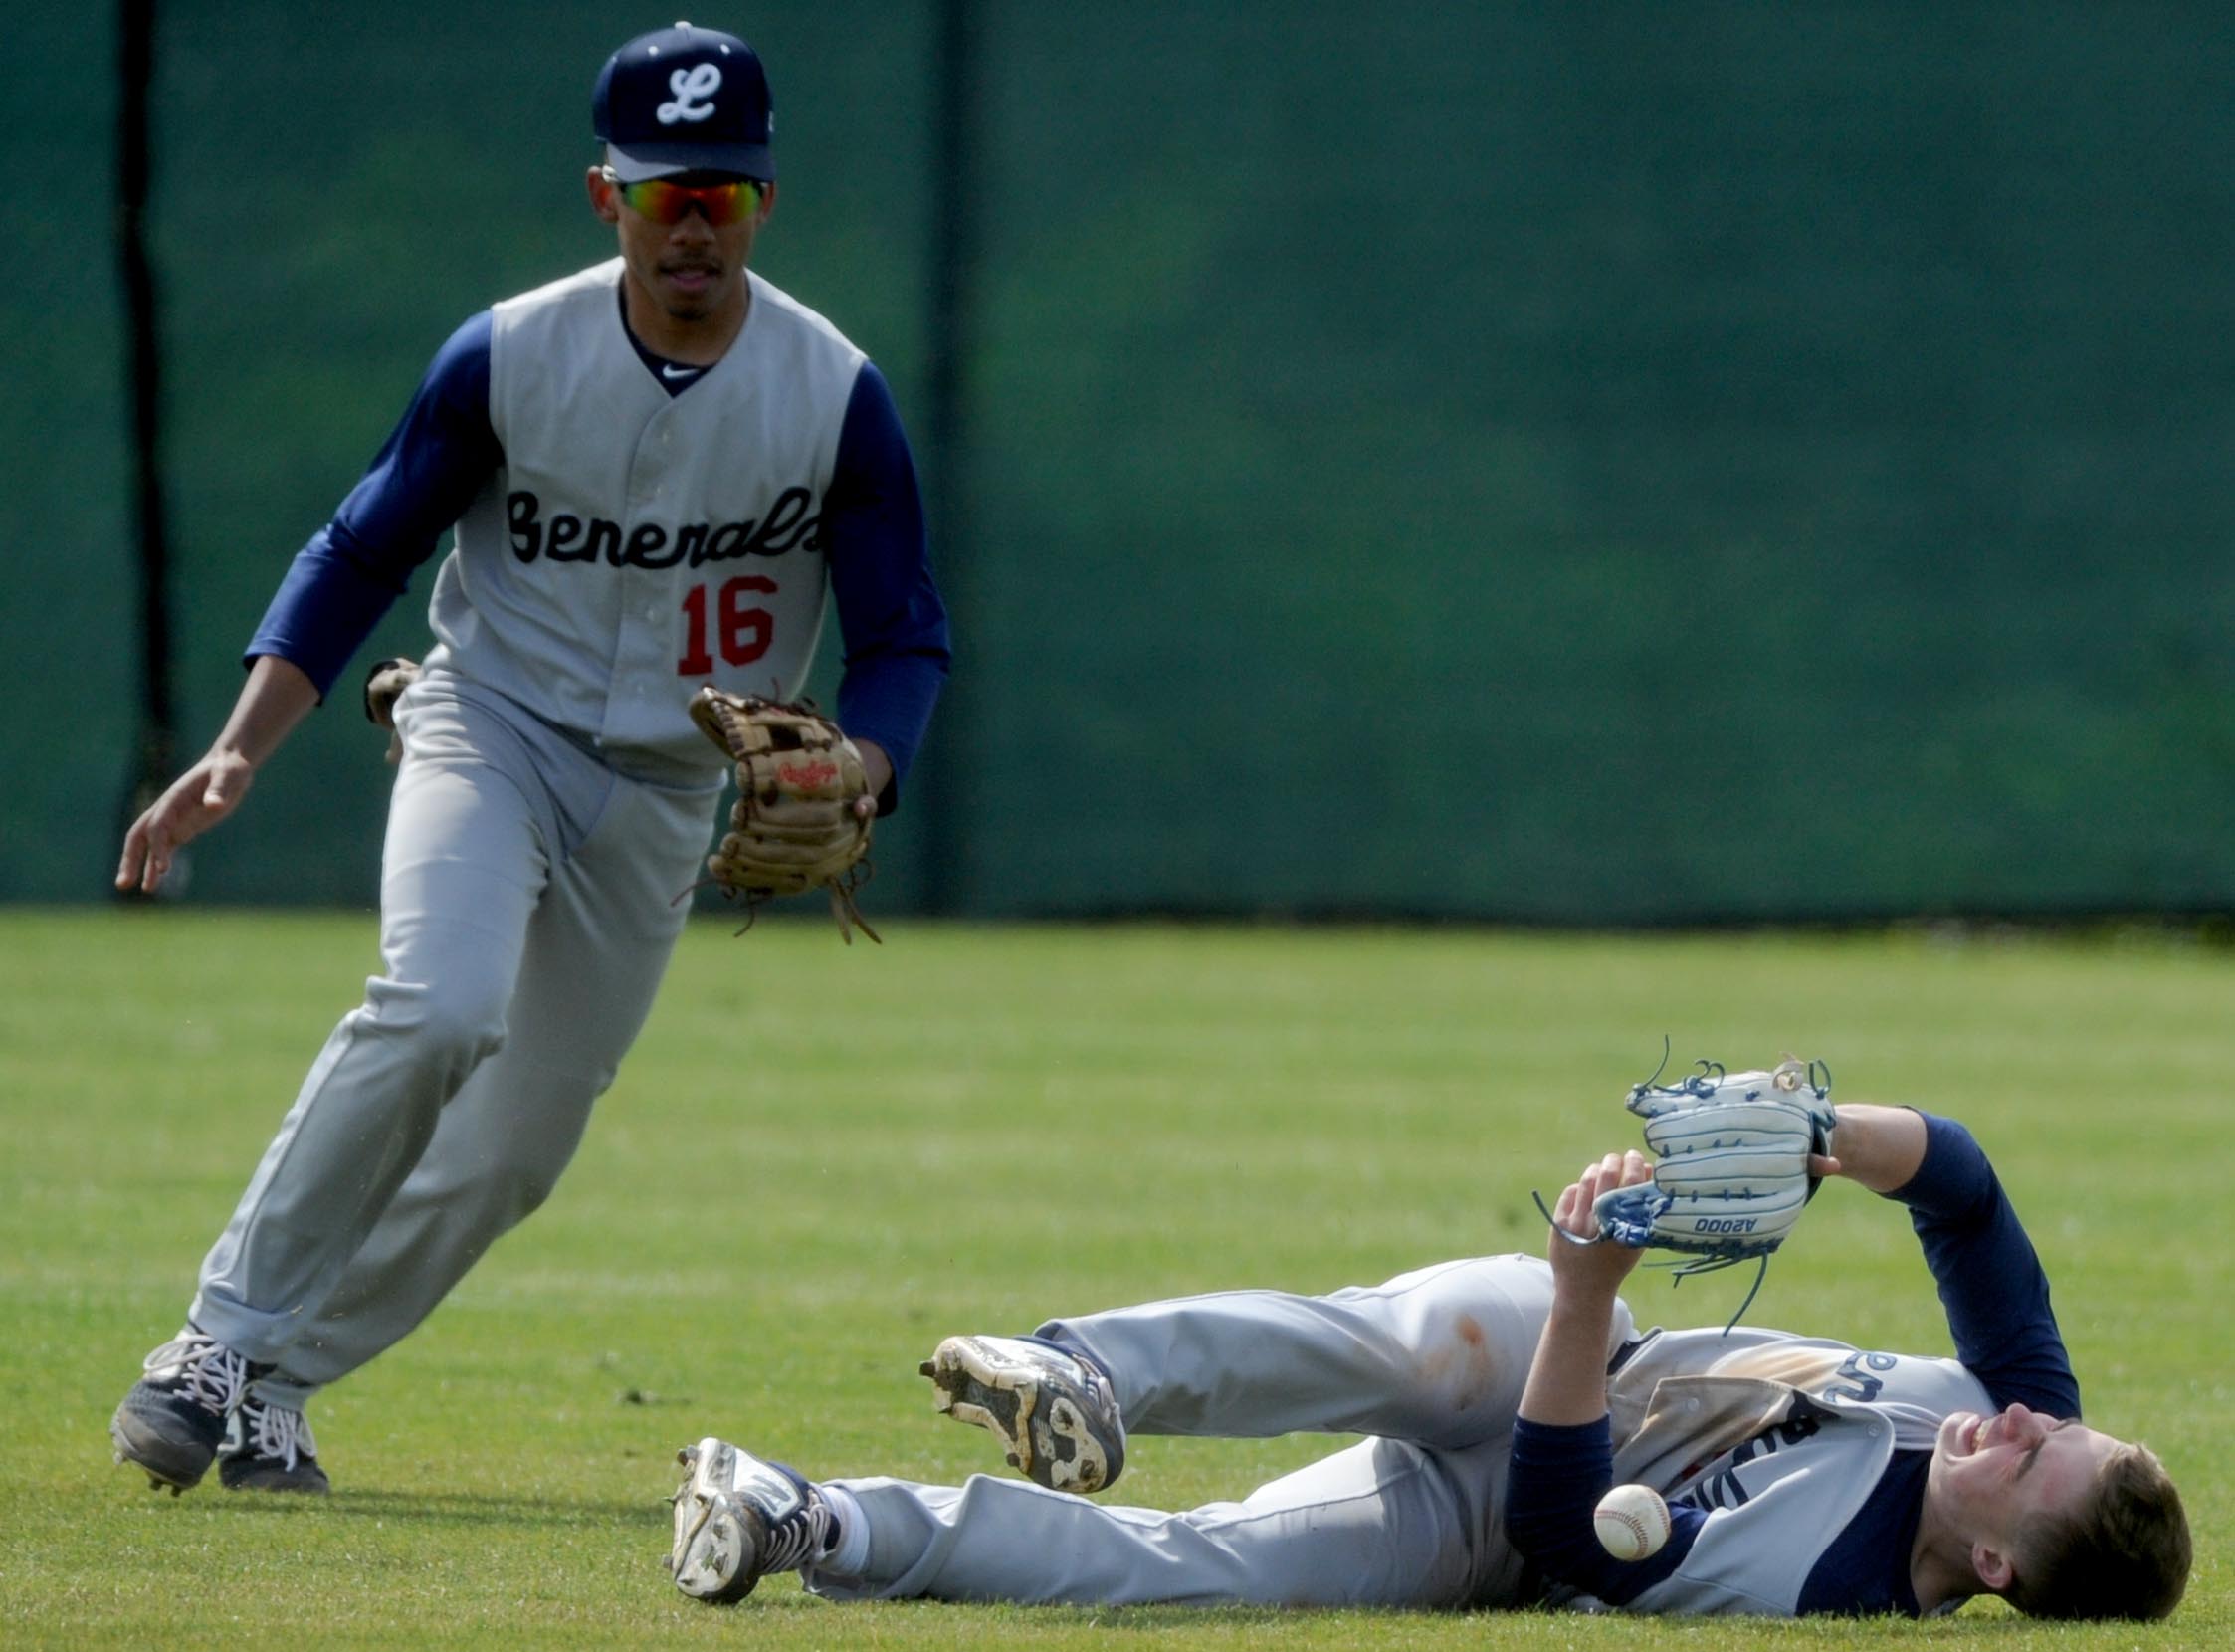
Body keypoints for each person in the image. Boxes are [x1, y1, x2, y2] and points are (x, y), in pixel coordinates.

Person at [108, 22, 948, 1496]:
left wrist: (864, 767)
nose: (692, 225)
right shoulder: (508, 352)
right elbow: (362, 546)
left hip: (672, 791)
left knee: (517, 1147)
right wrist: (238, 751)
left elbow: (904, 638)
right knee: (438, 1008)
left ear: (767, 205)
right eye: (660, 193)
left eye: (725, 196)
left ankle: (278, 1385)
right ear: (601, 197)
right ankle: (214, 1346)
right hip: (489, 726)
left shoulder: (833, 394)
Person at [663, 1104, 2188, 1620]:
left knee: (1222, 1571)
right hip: (1586, 1344)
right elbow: (1966, 1190)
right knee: (1399, 1339)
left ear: (1991, 1565)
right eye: (2053, 1426)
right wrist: (1823, 1140)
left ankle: (817, 1519)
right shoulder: (2013, 1412)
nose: (2024, 1425)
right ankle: (1072, 1369)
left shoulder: (1825, 1585)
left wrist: (1586, 1291)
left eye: (2038, 1462)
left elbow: (1552, 1532)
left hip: (1520, 1501)